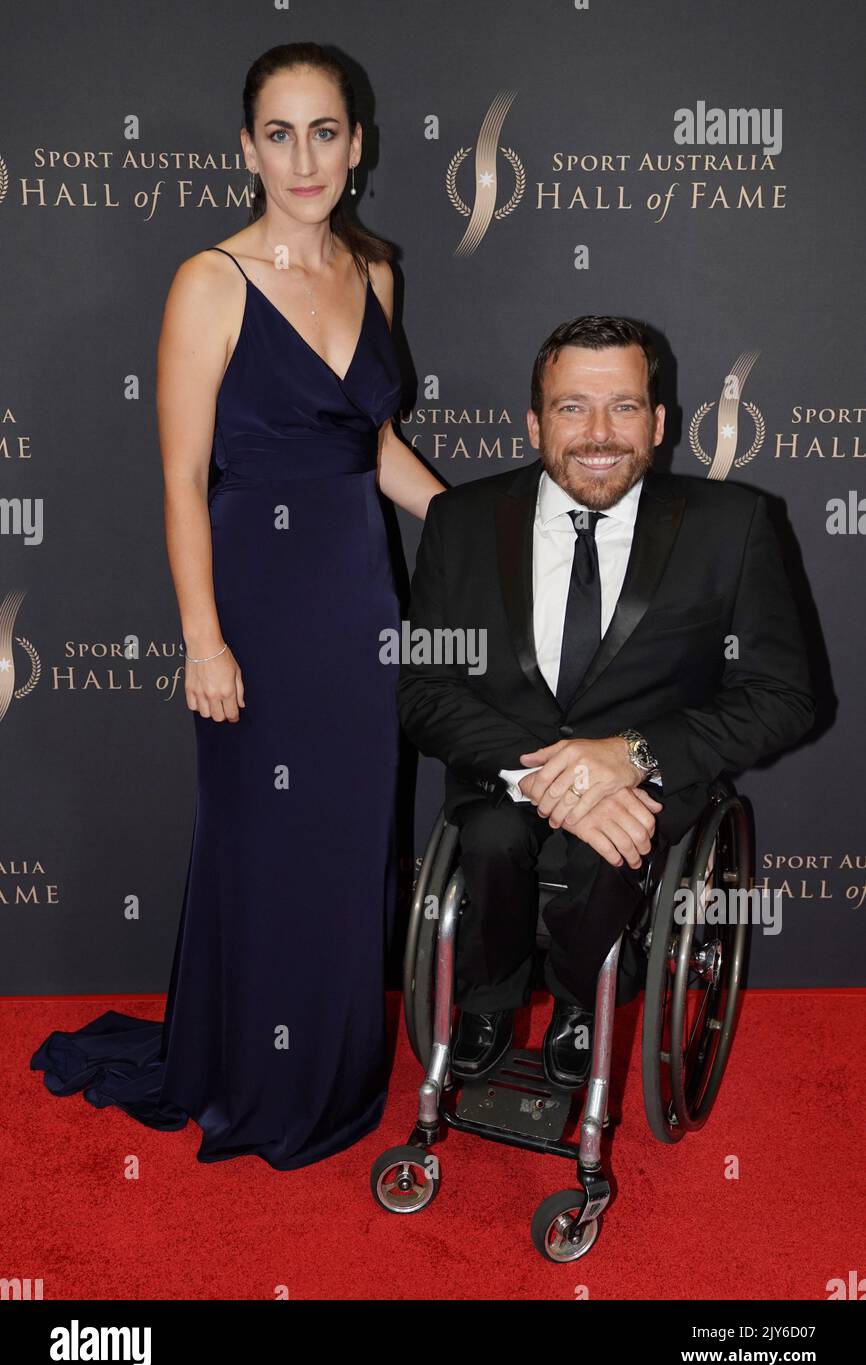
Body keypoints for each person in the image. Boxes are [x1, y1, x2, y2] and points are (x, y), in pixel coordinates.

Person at [31, 43, 444, 1169]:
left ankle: (337, 1067)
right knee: (262, 839)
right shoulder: (209, 281)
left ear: (357, 146)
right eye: (279, 132)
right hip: (256, 604)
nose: (303, 157)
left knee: (354, 841)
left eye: (325, 131)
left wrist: (458, 523)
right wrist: (201, 639)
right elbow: (178, 478)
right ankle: (250, 1076)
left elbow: (373, 447)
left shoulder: (376, 271)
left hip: (361, 599)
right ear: (245, 148)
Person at [397, 315, 815, 1089]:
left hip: (651, 790)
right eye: (570, 408)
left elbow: (784, 696)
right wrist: (562, 780)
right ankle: (486, 999)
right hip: (504, 783)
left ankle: (581, 1005)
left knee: (614, 839)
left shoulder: (733, 526)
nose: (598, 433)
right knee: (489, 832)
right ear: (534, 422)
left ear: (658, 424)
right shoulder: (461, 524)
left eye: (623, 407)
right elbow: (424, 690)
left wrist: (629, 756)